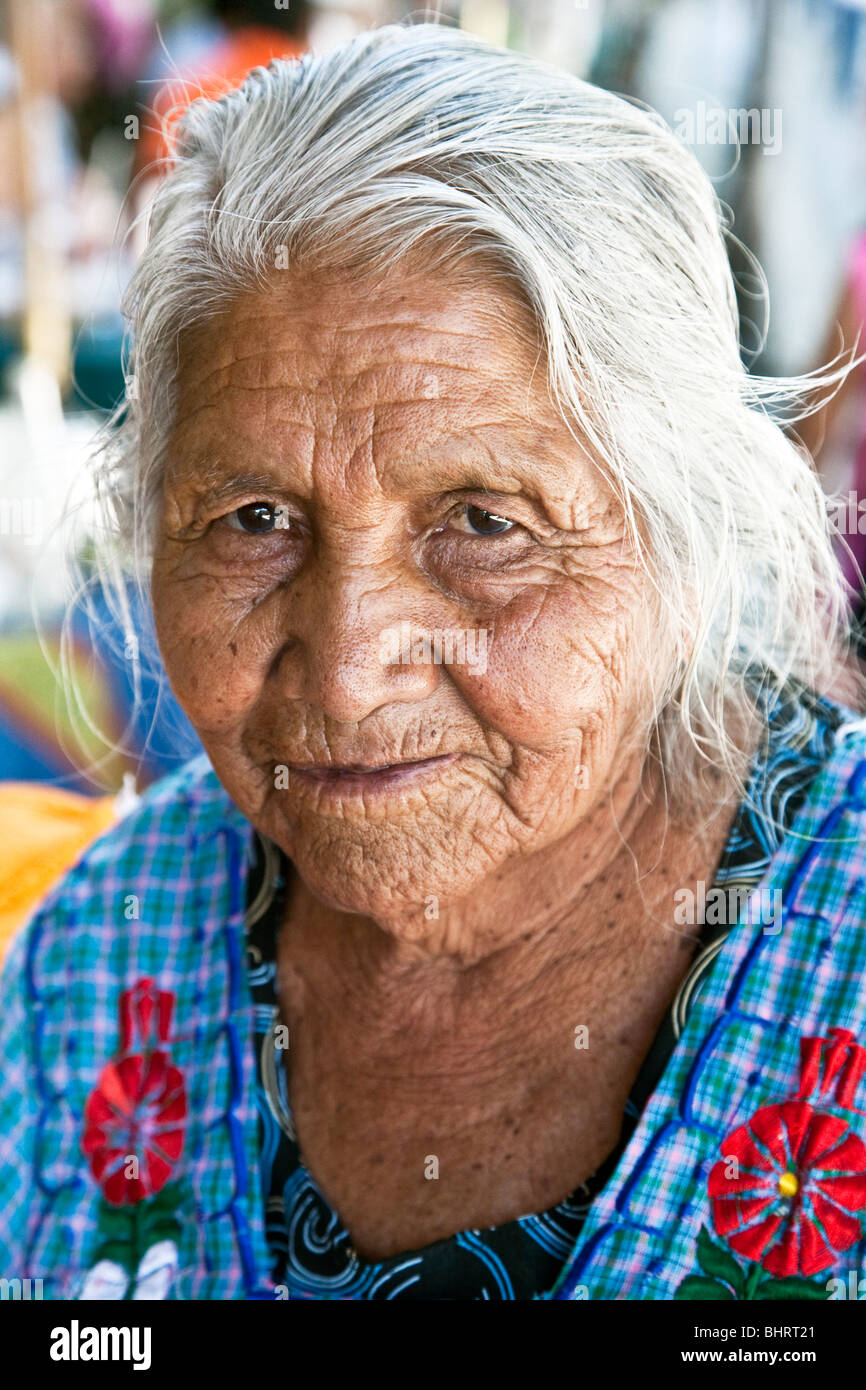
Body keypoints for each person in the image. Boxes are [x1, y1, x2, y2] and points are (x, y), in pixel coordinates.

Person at [2, 23, 866, 1302]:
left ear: (684, 538)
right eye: (253, 520)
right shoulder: (90, 965)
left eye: (484, 524)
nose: (348, 675)